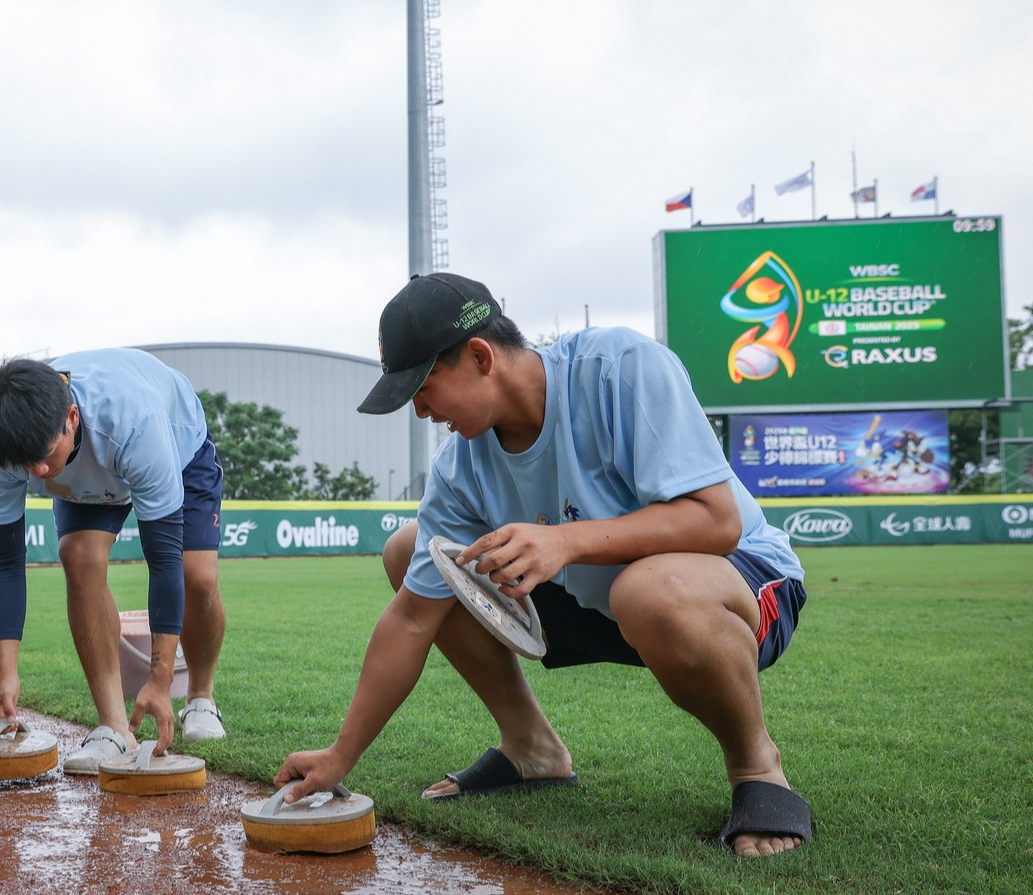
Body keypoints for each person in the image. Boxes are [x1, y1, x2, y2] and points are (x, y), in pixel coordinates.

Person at [277, 272, 812, 857]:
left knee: (652, 590)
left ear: (480, 356)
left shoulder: (618, 366)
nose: (421, 410)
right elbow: (410, 621)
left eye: (423, 387)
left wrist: (566, 542)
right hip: (602, 600)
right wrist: (340, 755)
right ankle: (531, 748)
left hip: (735, 582)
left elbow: (717, 521)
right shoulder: (460, 465)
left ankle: (757, 768)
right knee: (411, 550)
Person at [0, 348, 228, 772]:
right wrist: (6, 673)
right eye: (24, 463)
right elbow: (3, 561)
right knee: (78, 556)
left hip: (175, 448)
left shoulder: (134, 422)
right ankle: (113, 726)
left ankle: (200, 695)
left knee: (196, 575)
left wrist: (160, 681)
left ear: (71, 417)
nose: (37, 472)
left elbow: (162, 559)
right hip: (88, 469)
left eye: (44, 454)